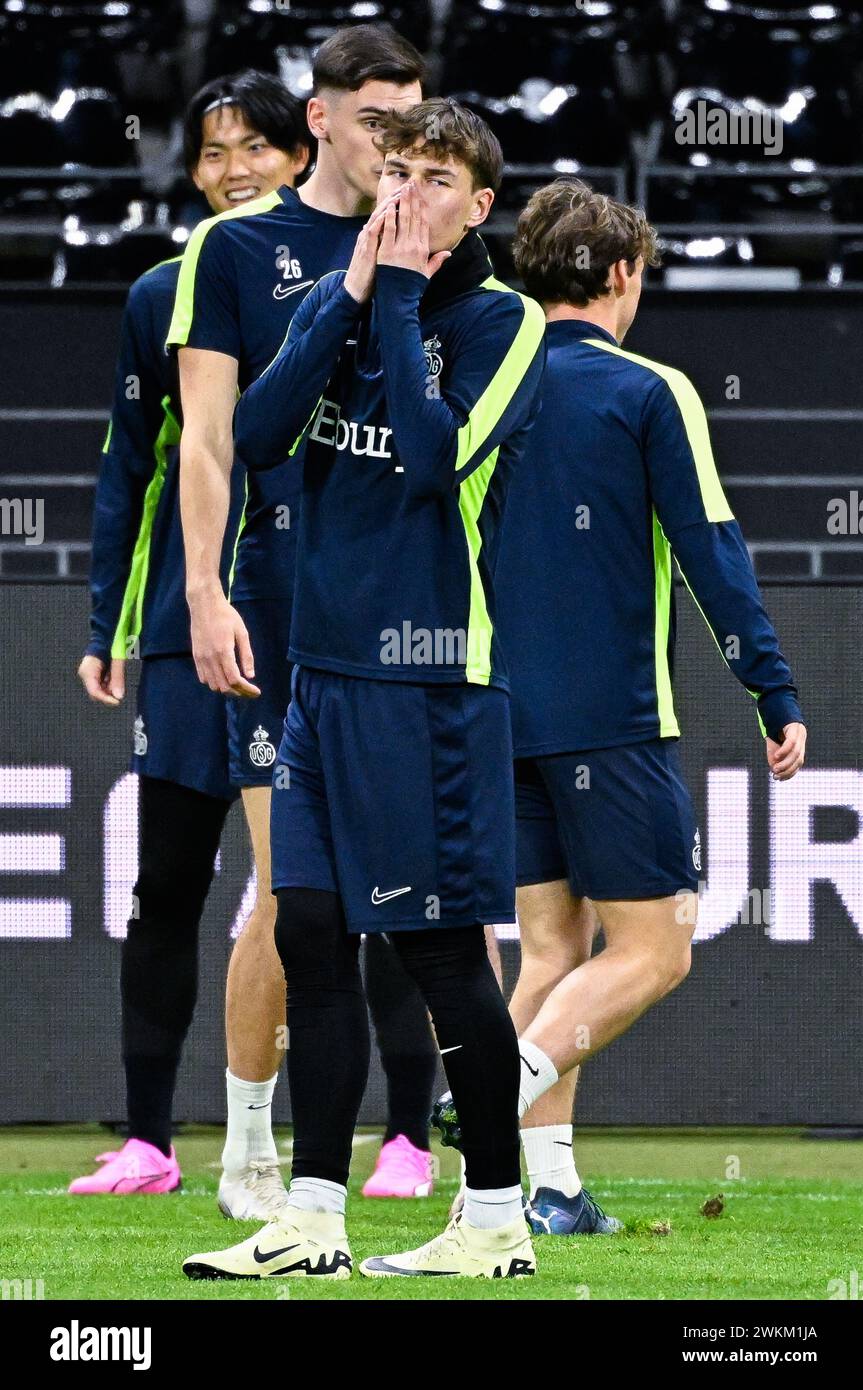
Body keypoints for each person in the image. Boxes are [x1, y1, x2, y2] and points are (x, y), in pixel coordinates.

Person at [181, 97, 546, 1282]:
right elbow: (263, 437)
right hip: (321, 679)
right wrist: (347, 294)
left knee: (441, 957)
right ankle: (314, 1217)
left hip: (431, 679)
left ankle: (495, 1218)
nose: (407, 195)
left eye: (436, 179)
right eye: (396, 170)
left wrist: (393, 295)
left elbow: (438, 460)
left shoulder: (506, 322)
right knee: (312, 936)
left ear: (479, 205)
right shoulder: (330, 297)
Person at [437, 177, 807, 1235]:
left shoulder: (485, 388)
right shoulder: (650, 390)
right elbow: (712, 554)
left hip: (499, 706)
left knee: (554, 951)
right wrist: (770, 684)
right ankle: (492, 1105)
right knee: (661, 948)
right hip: (612, 714)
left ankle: (545, 1188)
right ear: (620, 274)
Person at [168, 26, 451, 1209]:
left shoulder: (438, 238)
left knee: (412, 891)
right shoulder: (236, 248)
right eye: (379, 118)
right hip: (276, 606)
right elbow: (208, 435)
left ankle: (415, 1144)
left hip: (403, 611)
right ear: (320, 117)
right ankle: (245, 1145)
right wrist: (202, 588)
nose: (400, 141)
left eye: (414, 119)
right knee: (291, 887)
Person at [73, 71, 310, 1208]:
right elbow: (131, 466)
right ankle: (152, 1139)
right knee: (167, 883)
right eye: (213, 153)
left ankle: (402, 1134)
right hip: (182, 625)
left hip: (315, 621)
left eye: (251, 150)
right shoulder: (160, 291)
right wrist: (105, 620)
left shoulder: (349, 279)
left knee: (314, 886)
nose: (230, 171)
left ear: (298, 157)